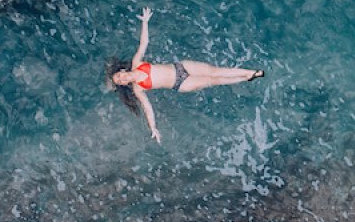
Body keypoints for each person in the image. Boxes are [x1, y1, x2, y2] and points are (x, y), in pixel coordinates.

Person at [107, 8, 264, 141]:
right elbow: (148, 108)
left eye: (119, 76)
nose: (122, 78)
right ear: (124, 84)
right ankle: (244, 78)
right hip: (181, 84)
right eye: (120, 81)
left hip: (181, 67)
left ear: (122, 71)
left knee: (215, 71)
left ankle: (250, 73)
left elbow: (144, 43)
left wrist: (145, 22)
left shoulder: (137, 63)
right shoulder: (138, 89)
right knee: (214, 80)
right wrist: (153, 127)